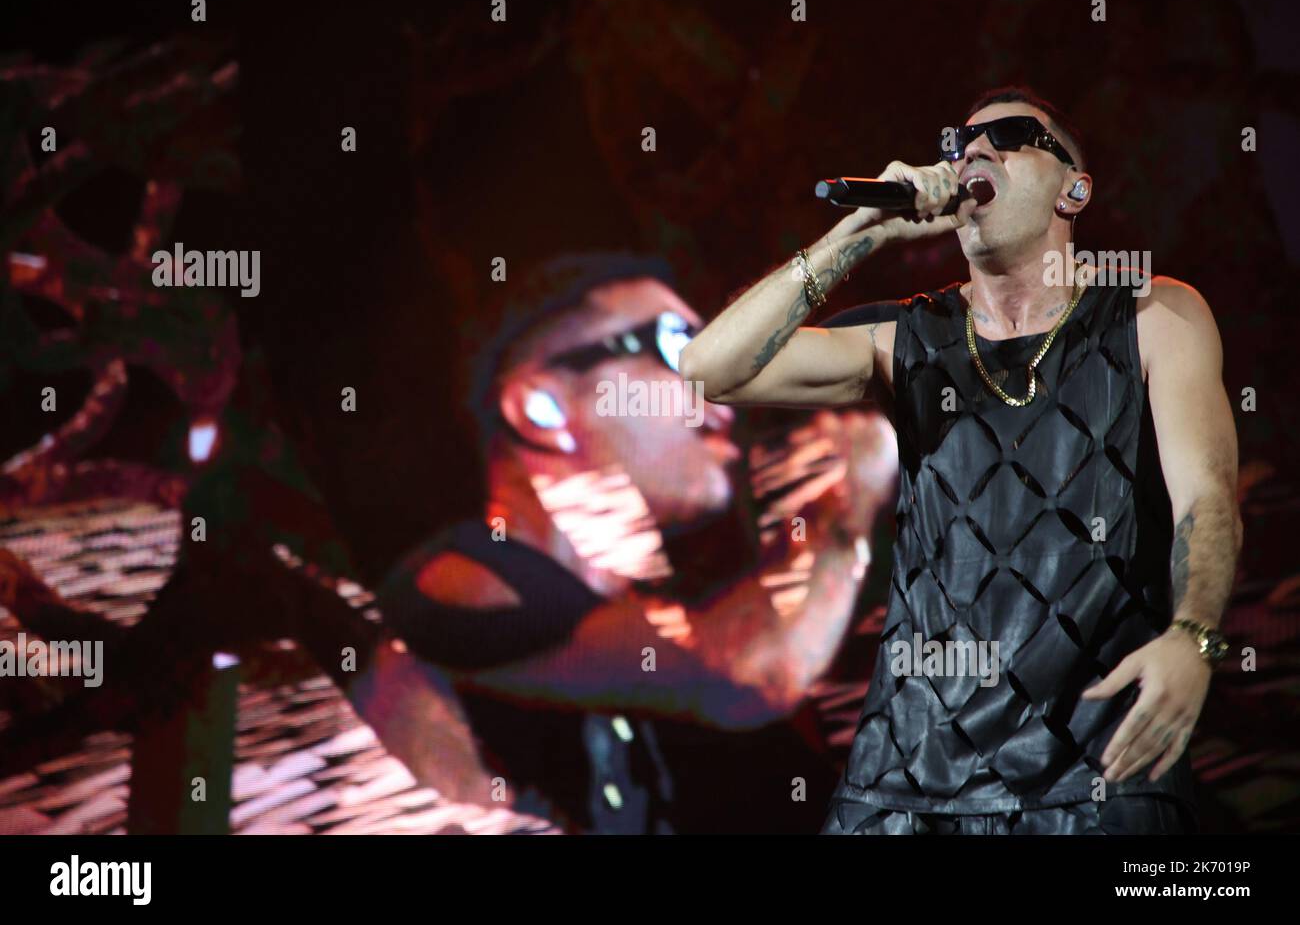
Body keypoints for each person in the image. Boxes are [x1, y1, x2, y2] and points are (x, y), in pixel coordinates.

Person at [680, 86, 1243, 835]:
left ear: (1074, 191)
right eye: (961, 143)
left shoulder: (1154, 315)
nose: (973, 150)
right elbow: (708, 371)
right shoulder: (902, 338)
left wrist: (1194, 636)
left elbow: (1207, 496)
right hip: (905, 780)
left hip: (1099, 772)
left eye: (1010, 136)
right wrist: (858, 236)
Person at [374, 252, 898, 833]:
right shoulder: (453, 581)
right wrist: (845, 504)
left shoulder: (640, 603)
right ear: (541, 408)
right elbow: (755, 674)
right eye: (679, 347)